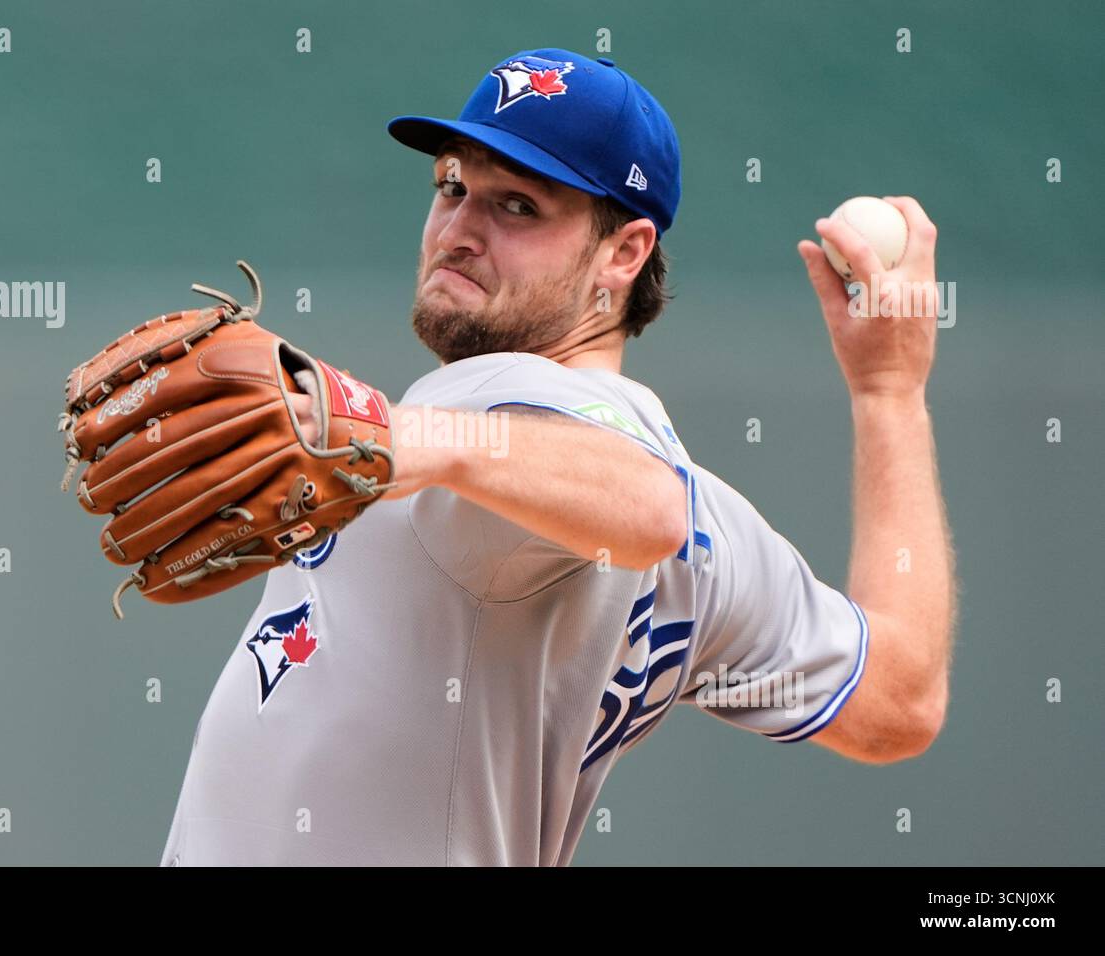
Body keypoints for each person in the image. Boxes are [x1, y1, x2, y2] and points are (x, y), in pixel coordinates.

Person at [159, 47, 954, 866]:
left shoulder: (479, 403)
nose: (459, 231)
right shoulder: (714, 538)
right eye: (452, 186)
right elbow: (899, 699)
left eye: (518, 206)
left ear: (624, 253)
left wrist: (420, 439)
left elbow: (644, 511)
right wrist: (889, 394)